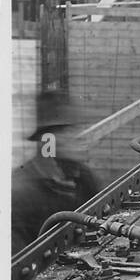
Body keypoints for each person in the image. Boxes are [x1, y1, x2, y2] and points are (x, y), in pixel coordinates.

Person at [10, 93, 102, 250]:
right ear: (48, 140)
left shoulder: (83, 177)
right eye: (69, 131)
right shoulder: (19, 194)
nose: (80, 137)